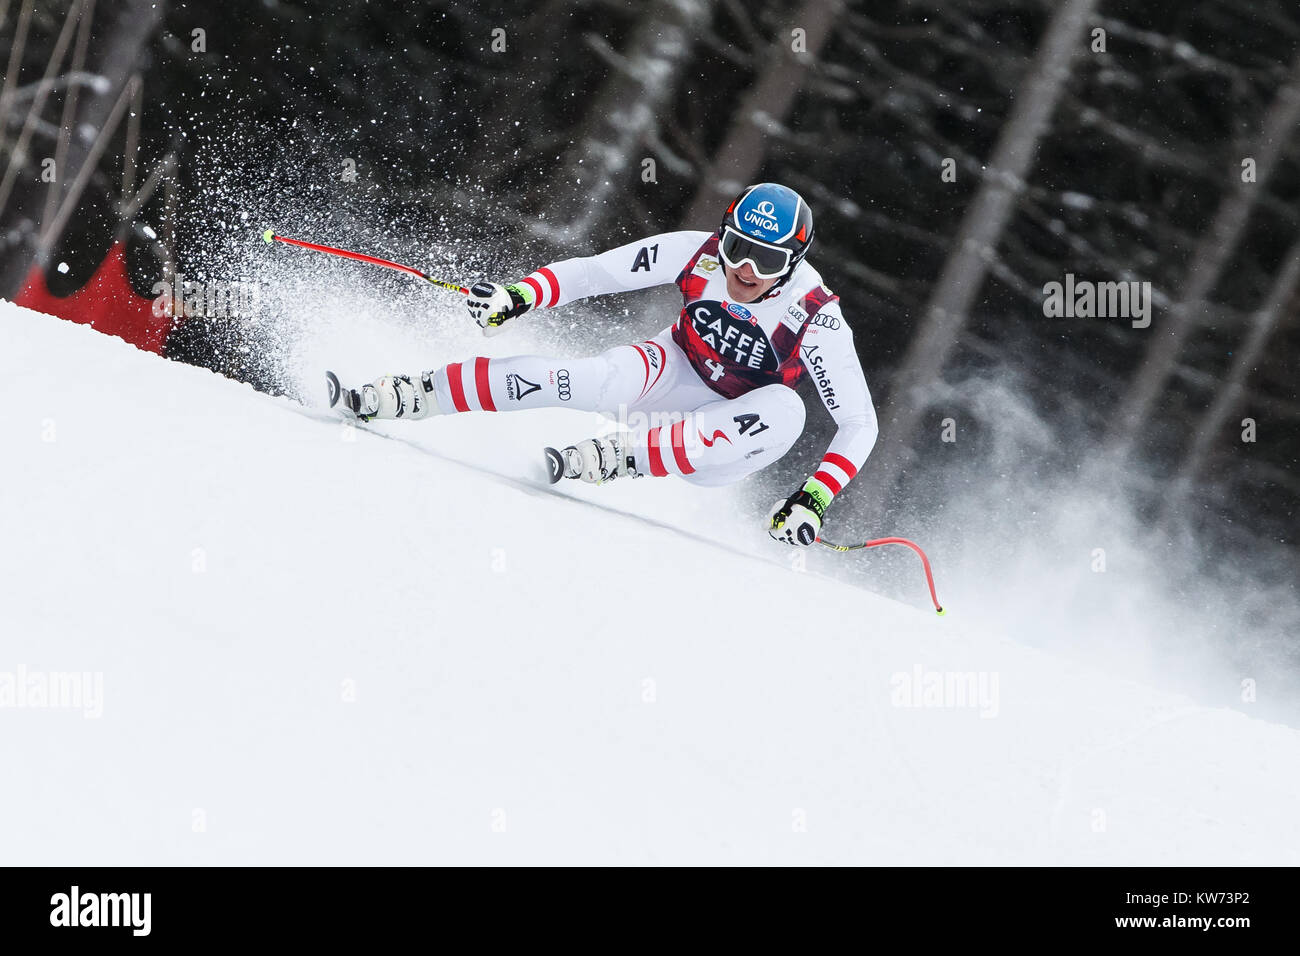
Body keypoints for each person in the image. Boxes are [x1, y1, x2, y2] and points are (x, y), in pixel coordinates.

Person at [328, 183, 878, 547]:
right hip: (679, 368)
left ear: (794, 264)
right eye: (738, 247)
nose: (746, 269)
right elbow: (597, 274)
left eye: (770, 259)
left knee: (789, 408)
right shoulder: (699, 252)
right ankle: (417, 393)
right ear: (724, 235)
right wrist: (519, 296)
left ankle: (625, 455)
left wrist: (812, 499)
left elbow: (859, 422)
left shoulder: (814, 314)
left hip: (735, 436)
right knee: (592, 379)